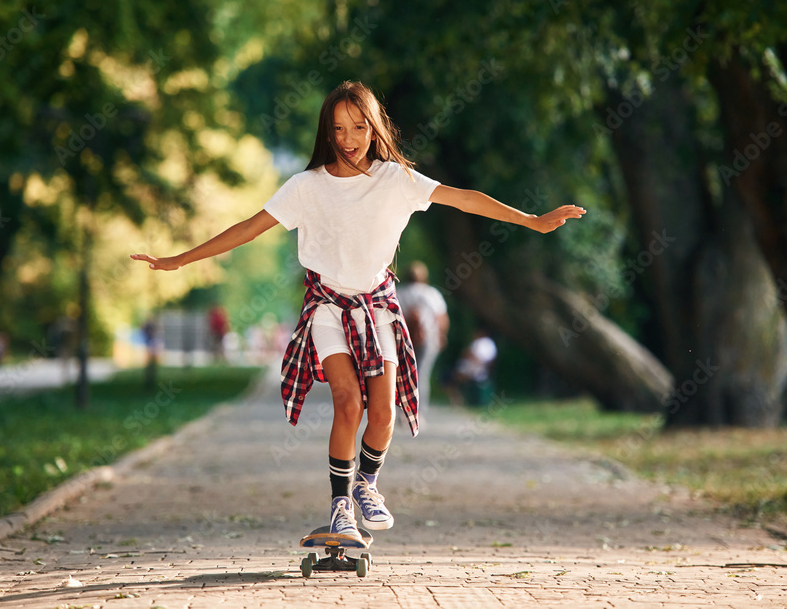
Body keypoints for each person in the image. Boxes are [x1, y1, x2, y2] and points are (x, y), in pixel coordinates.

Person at [131, 80, 585, 543]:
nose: (348, 138)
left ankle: (366, 484)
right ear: (327, 132)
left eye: (358, 127)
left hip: (378, 308)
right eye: (338, 128)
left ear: (375, 129)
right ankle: (340, 504)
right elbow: (248, 228)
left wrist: (532, 220)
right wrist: (179, 259)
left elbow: (465, 197)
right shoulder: (305, 187)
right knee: (348, 401)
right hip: (327, 306)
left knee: (383, 414)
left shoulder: (397, 182)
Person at [396, 261, 449, 414]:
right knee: (422, 374)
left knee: (403, 375)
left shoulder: (399, 292)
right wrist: (441, 336)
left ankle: (402, 413)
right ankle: (418, 412)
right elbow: (441, 318)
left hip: (404, 339)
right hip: (428, 338)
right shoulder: (431, 293)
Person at [443, 328, 497, 406]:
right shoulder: (490, 344)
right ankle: (458, 398)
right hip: (477, 369)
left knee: (449, 377)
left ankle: (458, 399)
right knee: (451, 376)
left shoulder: (480, 343)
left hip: (474, 370)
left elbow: (469, 355)